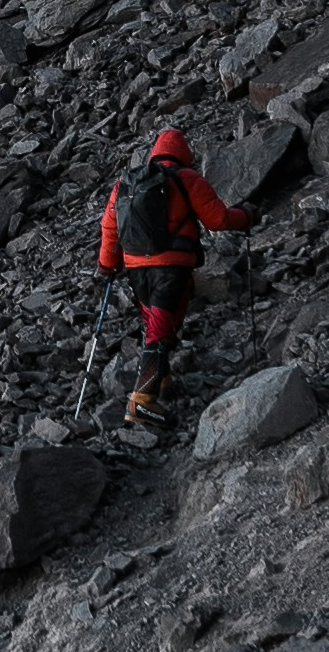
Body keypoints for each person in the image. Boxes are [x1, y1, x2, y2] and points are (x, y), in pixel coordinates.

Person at [100, 118, 252, 439]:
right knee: (159, 328)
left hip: (135, 268)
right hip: (172, 266)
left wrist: (107, 264)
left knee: (156, 323)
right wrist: (247, 217)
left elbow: (110, 227)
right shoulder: (186, 179)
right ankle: (142, 400)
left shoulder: (126, 184)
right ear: (184, 154)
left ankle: (161, 378)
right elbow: (218, 219)